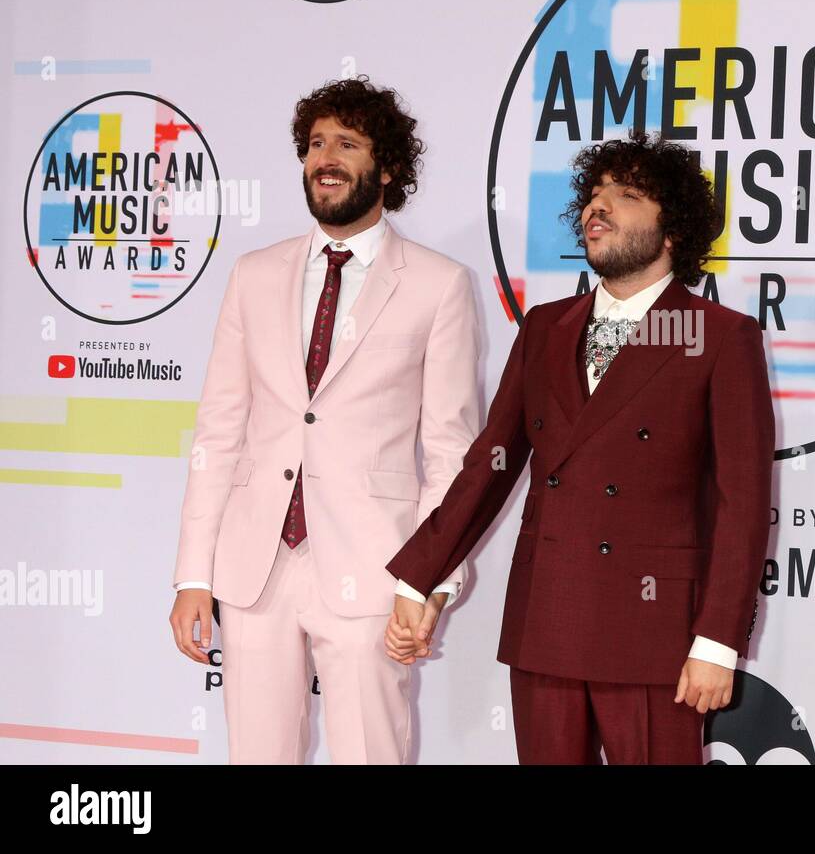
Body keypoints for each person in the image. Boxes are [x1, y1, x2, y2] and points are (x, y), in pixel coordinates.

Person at [386, 130, 775, 764]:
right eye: (594, 194)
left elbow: (742, 501)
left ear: (672, 229)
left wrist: (717, 641)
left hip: (656, 631)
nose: (599, 207)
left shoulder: (720, 337)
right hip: (548, 615)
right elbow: (492, 463)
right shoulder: (543, 326)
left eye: (625, 195)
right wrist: (419, 576)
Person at [169, 76, 479, 763]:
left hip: (376, 569)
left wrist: (428, 581)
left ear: (388, 167)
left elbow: (452, 452)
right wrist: (194, 575)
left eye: (347, 142)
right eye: (314, 144)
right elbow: (219, 431)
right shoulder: (253, 274)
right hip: (255, 571)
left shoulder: (439, 284)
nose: (325, 158)